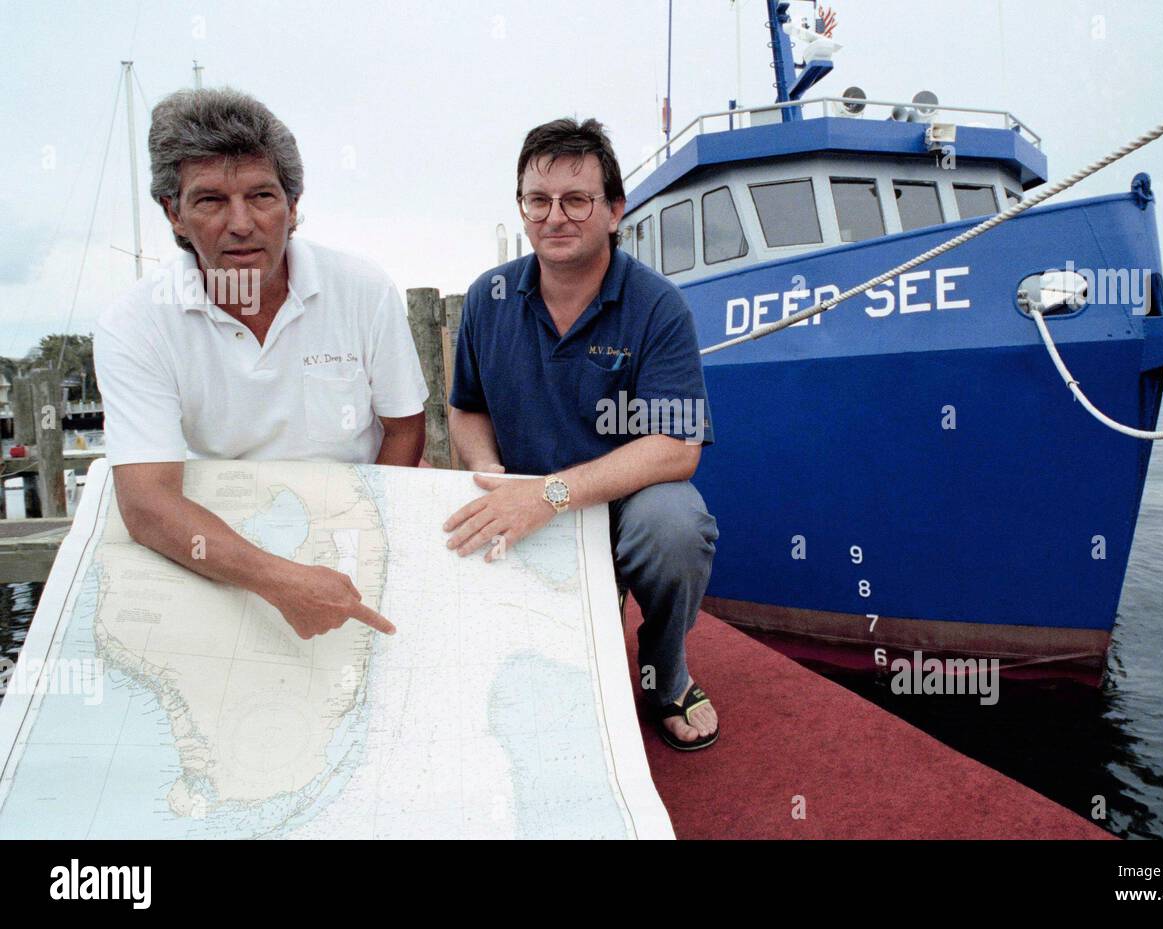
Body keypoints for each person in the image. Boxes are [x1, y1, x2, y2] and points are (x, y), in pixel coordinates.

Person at [93, 87, 428, 640]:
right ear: (173, 214)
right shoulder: (134, 323)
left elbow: (403, 426)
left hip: (352, 518)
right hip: (218, 532)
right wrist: (280, 579)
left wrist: (369, 537)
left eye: (262, 197)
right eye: (210, 201)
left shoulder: (363, 290)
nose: (241, 223)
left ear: (294, 207)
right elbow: (148, 502)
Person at [443, 118, 721, 750]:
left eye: (577, 200)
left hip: (619, 504)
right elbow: (466, 408)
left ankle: (665, 668)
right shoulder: (486, 300)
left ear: (614, 211)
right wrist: (495, 479)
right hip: (523, 493)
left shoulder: (658, 306)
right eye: (538, 201)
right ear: (522, 207)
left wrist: (551, 495)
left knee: (677, 526)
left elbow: (676, 447)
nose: (555, 217)